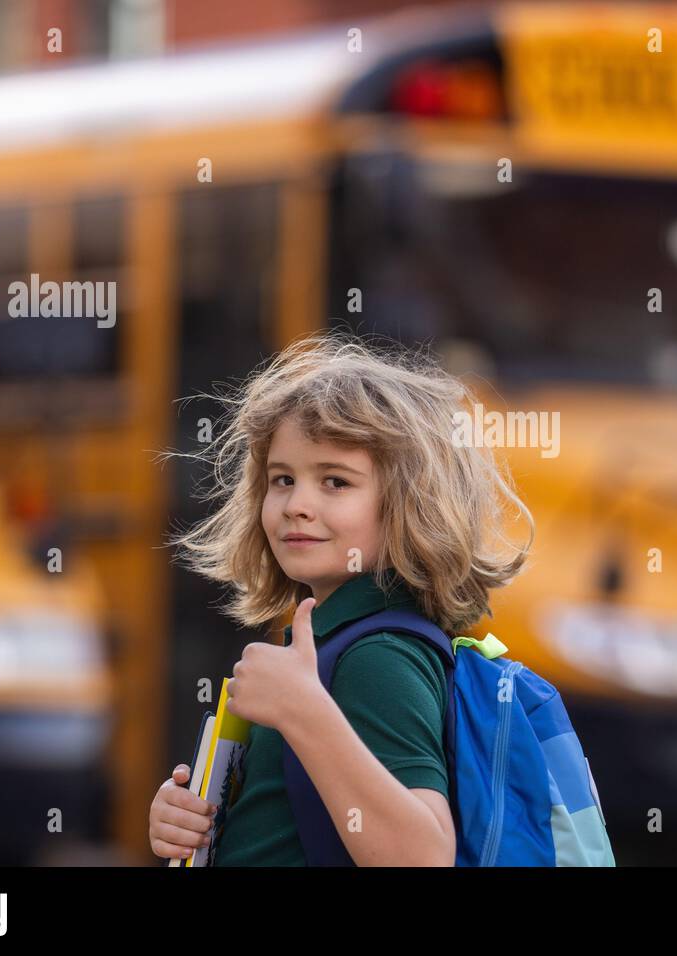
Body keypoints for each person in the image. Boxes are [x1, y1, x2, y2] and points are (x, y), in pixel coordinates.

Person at [147, 332, 533, 865]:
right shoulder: (335, 641)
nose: (296, 505)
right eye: (281, 479)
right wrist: (192, 819)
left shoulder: (379, 657)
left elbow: (421, 856)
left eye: (334, 482)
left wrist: (303, 711)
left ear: (410, 504)